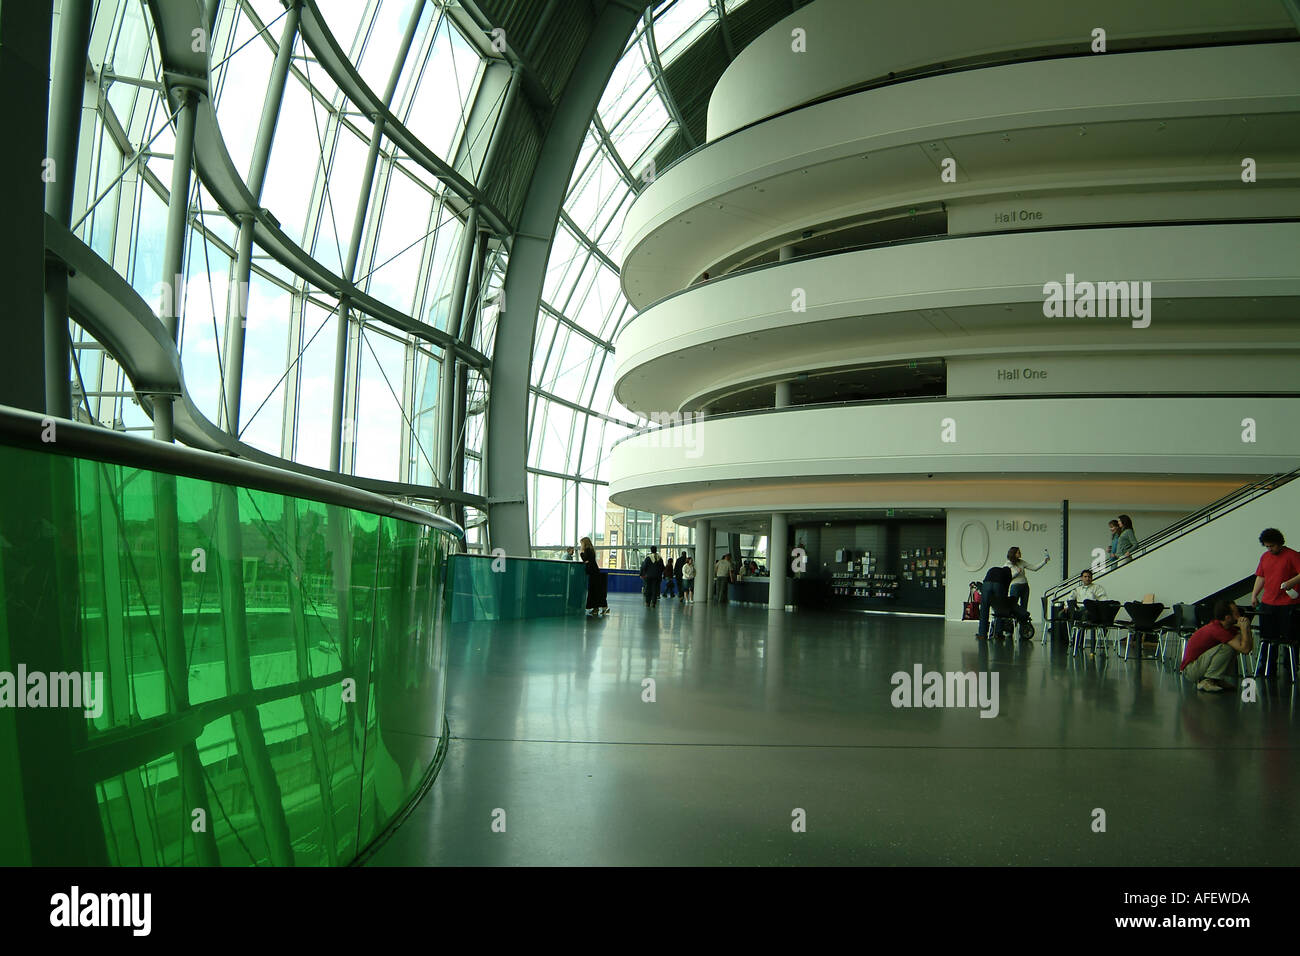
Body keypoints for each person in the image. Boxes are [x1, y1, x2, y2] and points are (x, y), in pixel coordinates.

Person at [1251, 528, 1300, 673]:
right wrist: (1254, 595)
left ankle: (1289, 668)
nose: (1269, 549)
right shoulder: (1265, 557)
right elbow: (1261, 576)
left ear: (1279, 543)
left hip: (1288, 604)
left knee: (1289, 638)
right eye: (1267, 546)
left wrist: (1291, 582)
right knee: (1267, 638)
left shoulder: (1292, 555)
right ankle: (1266, 668)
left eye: (1271, 546)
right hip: (1268, 603)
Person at [1180, 599, 1253, 692]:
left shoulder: (1228, 628)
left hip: (1198, 666)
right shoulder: (1217, 630)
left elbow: (1247, 647)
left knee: (1233, 646)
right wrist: (1244, 629)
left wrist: (1246, 629)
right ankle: (1208, 680)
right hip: (1190, 670)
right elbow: (1245, 649)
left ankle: (1216, 680)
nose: (1239, 616)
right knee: (1228, 647)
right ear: (1227, 617)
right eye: (1236, 613)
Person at [976, 563, 1031, 639]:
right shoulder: (1007, 574)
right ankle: (998, 633)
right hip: (998, 585)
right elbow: (1005, 591)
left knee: (984, 608)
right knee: (1000, 607)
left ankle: (982, 634)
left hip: (986, 584)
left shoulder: (994, 569)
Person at [1006, 545, 1049, 616]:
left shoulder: (1021, 562)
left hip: (1025, 586)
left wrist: (1044, 561)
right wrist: (1017, 573)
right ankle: (1014, 622)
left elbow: (1034, 568)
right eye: (1018, 552)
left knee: (1024, 606)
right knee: (1014, 605)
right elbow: (1008, 577)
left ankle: (1022, 624)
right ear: (1013, 554)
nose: (1020, 554)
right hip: (1015, 586)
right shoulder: (1008, 564)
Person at [579, 537, 608, 616]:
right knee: (596, 590)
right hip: (595, 572)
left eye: (581, 543)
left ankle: (597, 608)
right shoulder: (591, 550)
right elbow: (587, 560)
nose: (581, 545)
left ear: (584, 543)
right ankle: (597, 608)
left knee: (594, 591)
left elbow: (585, 559)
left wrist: (581, 553)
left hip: (593, 573)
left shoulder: (587, 550)